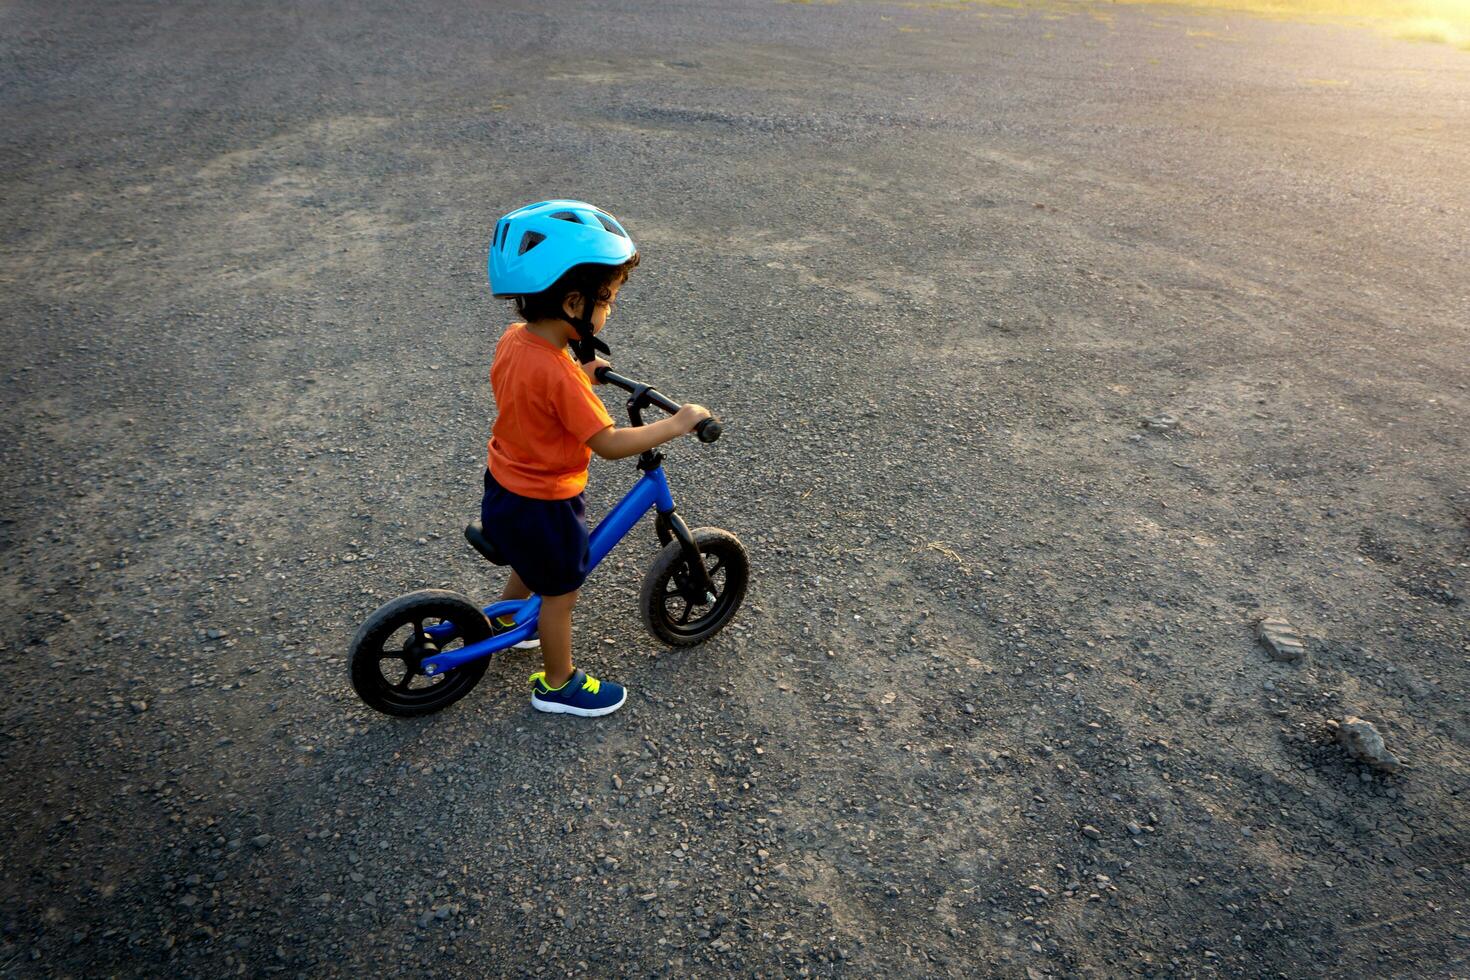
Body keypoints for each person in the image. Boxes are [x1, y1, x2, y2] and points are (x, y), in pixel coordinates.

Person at [482, 200, 710, 717]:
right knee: (562, 590)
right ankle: (558, 684)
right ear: (573, 301)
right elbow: (606, 443)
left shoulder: (515, 343)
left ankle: (508, 620)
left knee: (531, 558)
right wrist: (676, 423)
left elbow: (531, 395)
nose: (609, 310)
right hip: (544, 501)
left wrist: (579, 376)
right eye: (606, 299)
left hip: (505, 487)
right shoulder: (561, 375)